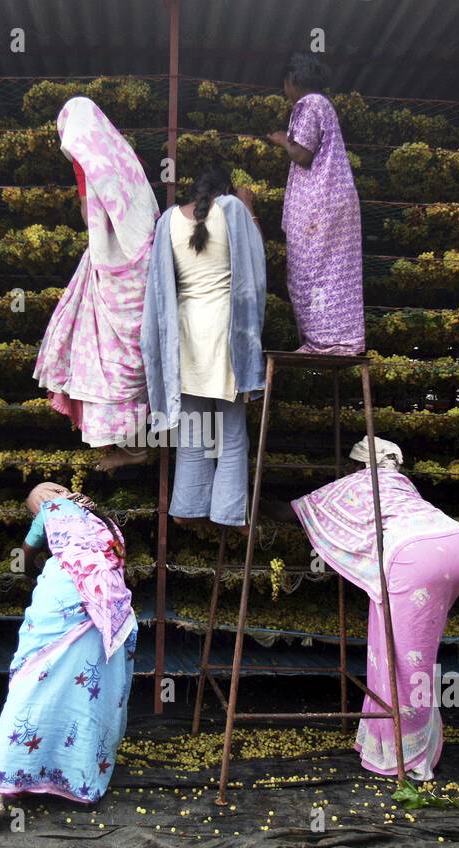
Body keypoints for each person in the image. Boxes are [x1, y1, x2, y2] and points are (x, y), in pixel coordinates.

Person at [289, 438, 459, 780]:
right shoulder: (401, 483)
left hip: (415, 559)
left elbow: (302, 509)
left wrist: (243, 509)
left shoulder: (360, 482)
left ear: (359, 465)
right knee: (410, 651)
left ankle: (409, 758)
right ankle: (397, 741)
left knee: (402, 659)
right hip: (457, 546)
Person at [0, 483, 136, 827]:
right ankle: (79, 781)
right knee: (86, 693)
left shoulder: (50, 511)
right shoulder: (106, 522)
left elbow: (22, 558)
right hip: (106, 609)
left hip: (62, 603)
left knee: (31, 686)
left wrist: (35, 571)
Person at [33, 97, 160, 472]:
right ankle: (135, 445)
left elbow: (88, 213)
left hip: (118, 268)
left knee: (108, 353)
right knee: (132, 354)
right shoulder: (124, 156)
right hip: (144, 260)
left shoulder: (85, 161)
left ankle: (134, 449)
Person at [141, 164, 266, 530]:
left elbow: (160, 285)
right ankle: (228, 512)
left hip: (183, 336)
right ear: (222, 190)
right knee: (230, 431)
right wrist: (250, 208)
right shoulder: (233, 209)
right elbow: (256, 267)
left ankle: (187, 507)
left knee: (193, 428)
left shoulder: (167, 222)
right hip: (226, 333)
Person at [267, 52, 363, 355]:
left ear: (293, 81)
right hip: (333, 202)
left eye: (285, 82)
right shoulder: (325, 105)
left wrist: (282, 139)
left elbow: (302, 154)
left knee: (312, 269)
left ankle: (324, 342)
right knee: (334, 272)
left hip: (319, 204)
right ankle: (339, 339)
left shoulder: (308, 104)